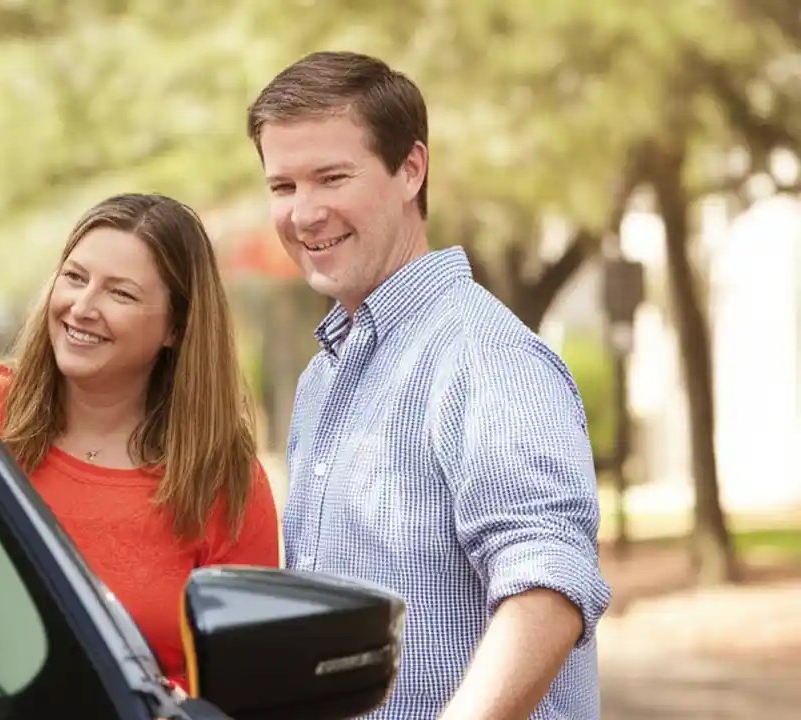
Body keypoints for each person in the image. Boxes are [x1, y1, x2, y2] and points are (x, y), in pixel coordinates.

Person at [246, 51, 611, 719]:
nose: (305, 213)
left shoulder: (483, 358)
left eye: (332, 177)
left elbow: (548, 586)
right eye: (283, 187)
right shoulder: (323, 376)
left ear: (411, 169)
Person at [0, 193, 280, 692]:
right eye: (75, 278)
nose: (82, 308)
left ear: (176, 327)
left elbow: (245, 687)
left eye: (120, 294)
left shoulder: (226, 484)